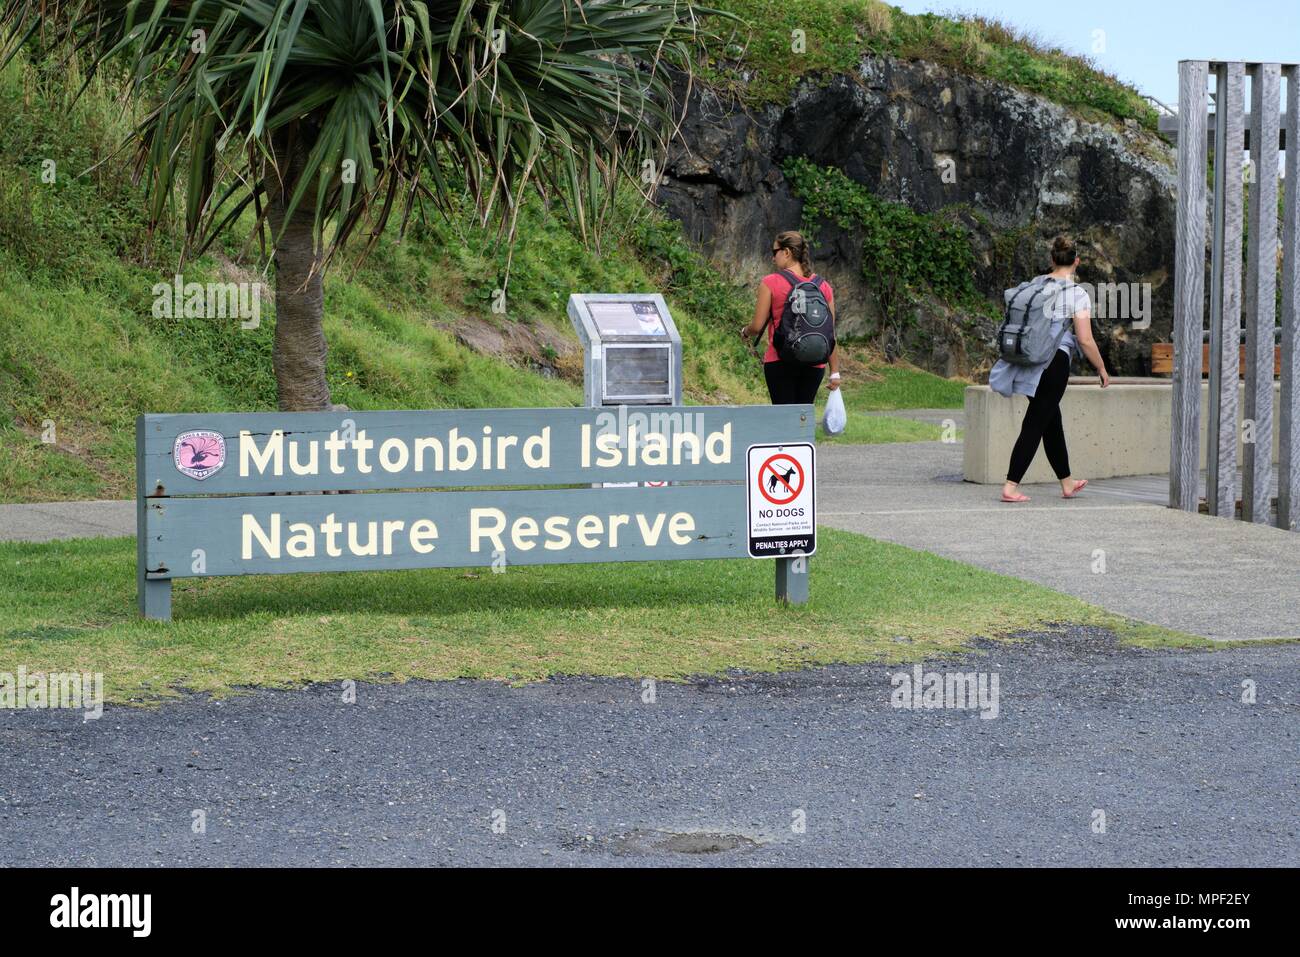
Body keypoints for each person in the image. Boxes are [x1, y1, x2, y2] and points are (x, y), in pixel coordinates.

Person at [990, 236, 1110, 503]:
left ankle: (1067, 483)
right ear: (1076, 261)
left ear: (1052, 260)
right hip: (1054, 363)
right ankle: (1010, 486)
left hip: (1031, 360)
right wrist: (1101, 368)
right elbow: (1085, 339)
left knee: (1051, 421)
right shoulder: (1077, 293)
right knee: (1035, 422)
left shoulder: (1035, 284)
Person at [740, 230, 841, 403]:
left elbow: (757, 327)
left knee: (784, 419)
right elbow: (830, 332)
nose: (773, 258)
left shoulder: (771, 282)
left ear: (786, 252)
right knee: (802, 419)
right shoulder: (823, 286)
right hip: (814, 364)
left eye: (775, 252)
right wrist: (835, 372)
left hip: (780, 361)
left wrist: (744, 332)